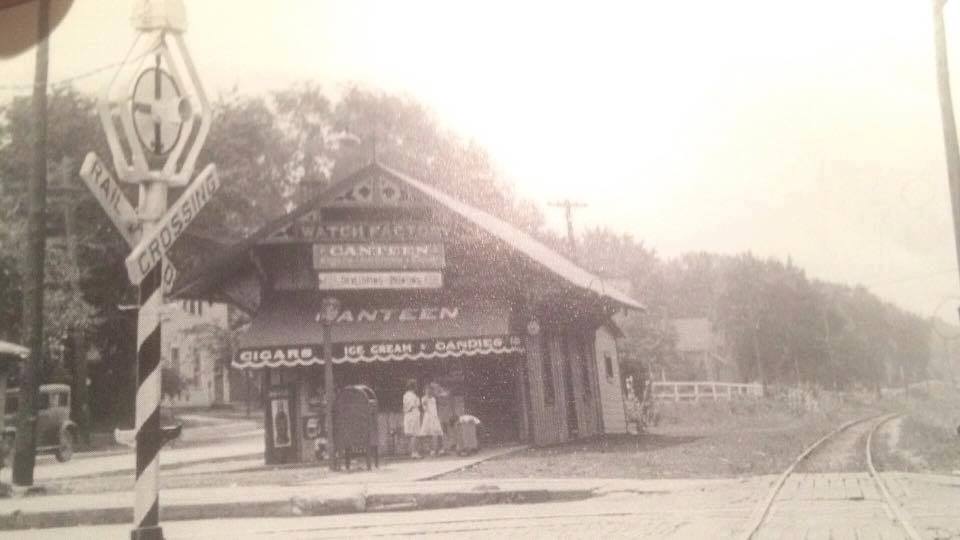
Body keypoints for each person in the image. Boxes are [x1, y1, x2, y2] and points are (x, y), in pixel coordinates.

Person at [419, 382, 444, 456]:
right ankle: (432, 449)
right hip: (428, 417)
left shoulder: (434, 398)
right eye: (426, 390)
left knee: (439, 433)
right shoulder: (423, 398)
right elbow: (425, 408)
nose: (428, 391)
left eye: (429, 390)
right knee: (429, 434)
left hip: (434, 416)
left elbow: (437, 406)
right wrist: (426, 397)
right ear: (424, 391)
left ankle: (441, 449)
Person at [402, 380, 422, 459]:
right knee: (414, 434)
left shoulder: (405, 395)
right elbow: (410, 406)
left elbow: (404, 407)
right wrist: (410, 409)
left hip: (409, 415)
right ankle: (414, 452)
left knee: (412, 434)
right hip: (413, 414)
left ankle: (413, 452)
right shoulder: (412, 396)